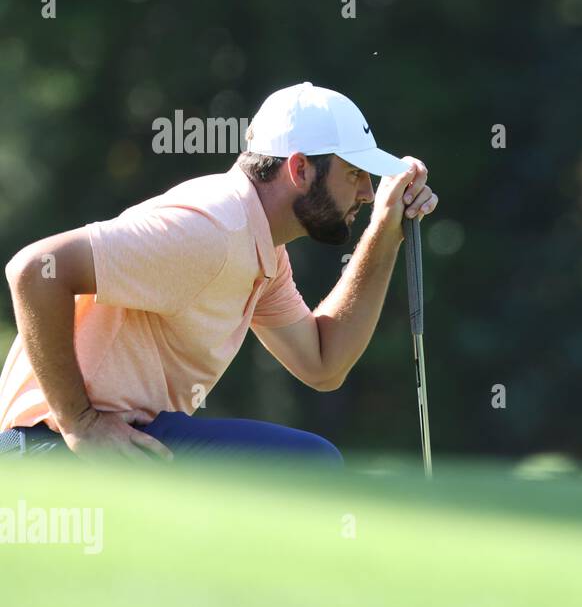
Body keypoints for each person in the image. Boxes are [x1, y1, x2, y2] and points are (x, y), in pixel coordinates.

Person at [0, 83, 437, 464]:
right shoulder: (212, 227)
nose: (366, 192)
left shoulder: (261, 245)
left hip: (117, 443)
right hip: (48, 447)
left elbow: (323, 363)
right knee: (309, 464)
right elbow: (35, 270)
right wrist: (81, 422)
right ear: (300, 168)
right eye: (355, 174)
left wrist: (385, 230)